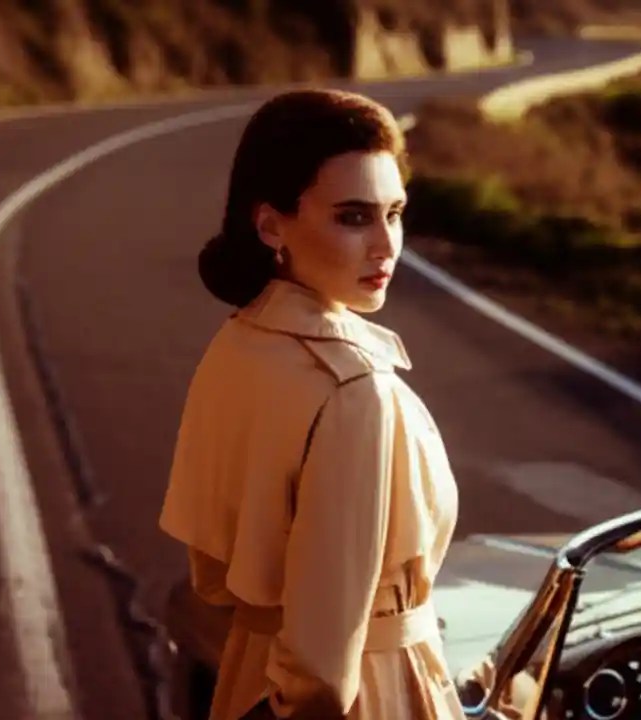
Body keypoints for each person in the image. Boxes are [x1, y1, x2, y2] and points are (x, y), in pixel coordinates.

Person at [158, 89, 462, 720]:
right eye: (353, 217)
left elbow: (213, 580)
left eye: (395, 213)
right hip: (371, 692)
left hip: (245, 677)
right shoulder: (355, 392)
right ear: (271, 224)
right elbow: (322, 678)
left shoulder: (237, 344)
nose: (385, 246)